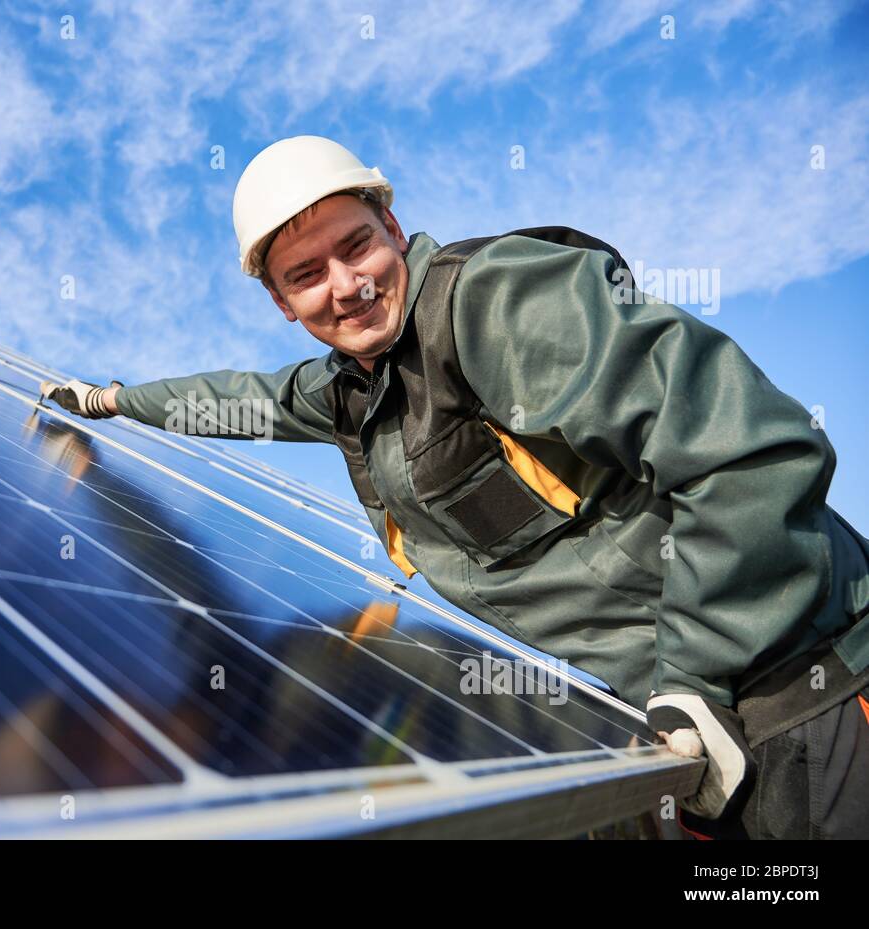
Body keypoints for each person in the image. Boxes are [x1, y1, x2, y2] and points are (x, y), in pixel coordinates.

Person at [43, 135, 869, 839]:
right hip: (683, 736)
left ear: (394, 228)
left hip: (809, 694)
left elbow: (749, 449)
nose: (346, 284)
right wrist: (112, 401)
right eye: (306, 274)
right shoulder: (344, 394)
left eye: (357, 245)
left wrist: (695, 673)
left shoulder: (493, 302)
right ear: (280, 301)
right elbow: (234, 399)